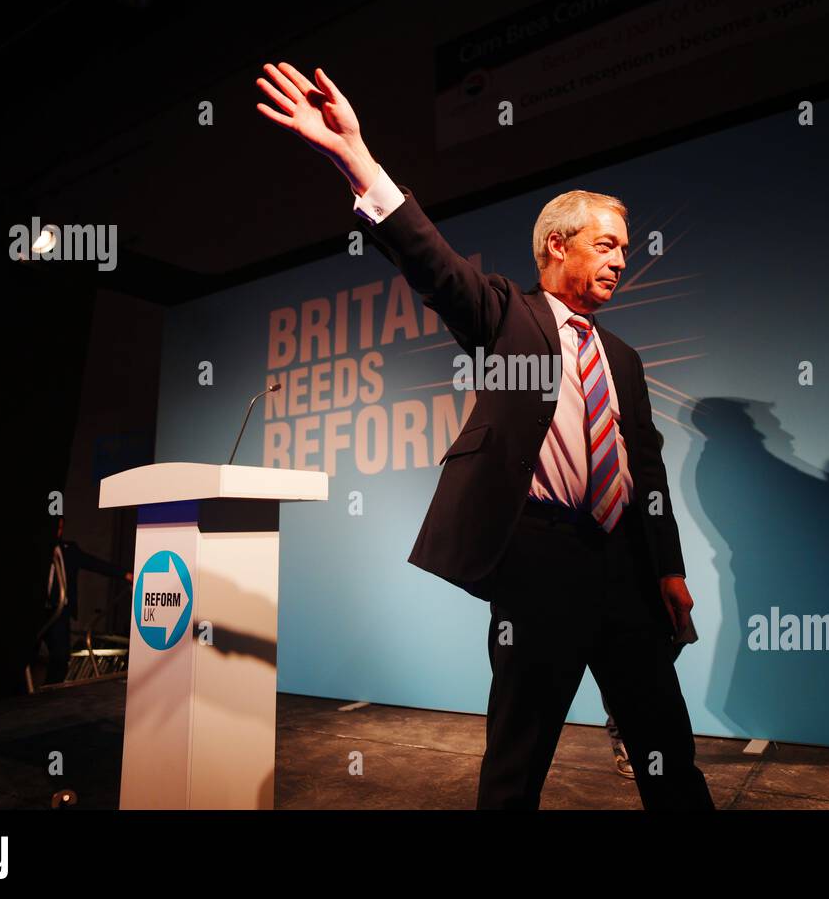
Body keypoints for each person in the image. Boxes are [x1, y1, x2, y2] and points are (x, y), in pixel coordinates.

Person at [256, 62, 714, 810]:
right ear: (557, 246)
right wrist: (356, 157)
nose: (622, 260)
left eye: (625, 248)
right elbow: (430, 262)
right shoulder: (507, 317)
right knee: (518, 761)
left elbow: (649, 474)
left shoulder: (623, 359)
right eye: (606, 245)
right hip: (540, 563)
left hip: (627, 572)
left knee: (667, 748)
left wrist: (666, 568)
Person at [36, 516, 131, 686]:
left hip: (60, 613)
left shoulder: (69, 550)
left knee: (60, 655)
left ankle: (49, 691)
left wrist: (124, 574)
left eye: (60, 528)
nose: (58, 532)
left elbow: (94, 563)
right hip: (38, 611)